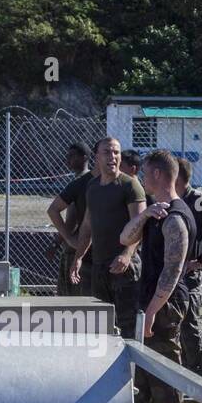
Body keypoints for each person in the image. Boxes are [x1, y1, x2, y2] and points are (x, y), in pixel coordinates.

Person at [120, 150, 196, 403]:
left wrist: (152, 310)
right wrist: (144, 216)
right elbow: (125, 239)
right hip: (151, 303)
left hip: (164, 305)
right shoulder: (157, 213)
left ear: (156, 175)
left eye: (145, 173)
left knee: (164, 374)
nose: (141, 179)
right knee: (145, 374)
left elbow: (172, 271)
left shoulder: (175, 218)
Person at [69, 138, 147, 340]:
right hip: (99, 268)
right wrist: (78, 256)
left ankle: (132, 371)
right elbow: (87, 225)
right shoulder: (93, 187)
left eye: (116, 152)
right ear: (97, 157)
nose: (112, 157)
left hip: (124, 269)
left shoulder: (130, 186)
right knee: (101, 326)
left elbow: (140, 225)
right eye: (107, 152)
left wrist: (127, 255)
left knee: (128, 328)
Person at [176, 157, 202, 377]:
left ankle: (199, 373)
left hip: (193, 271)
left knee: (188, 320)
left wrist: (200, 262)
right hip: (175, 271)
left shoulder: (199, 201)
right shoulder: (170, 199)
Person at [47, 142, 94, 296]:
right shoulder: (84, 180)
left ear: (84, 158)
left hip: (75, 249)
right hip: (82, 246)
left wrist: (59, 242)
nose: (67, 160)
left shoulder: (80, 183)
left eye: (72, 156)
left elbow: (71, 221)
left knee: (70, 296)